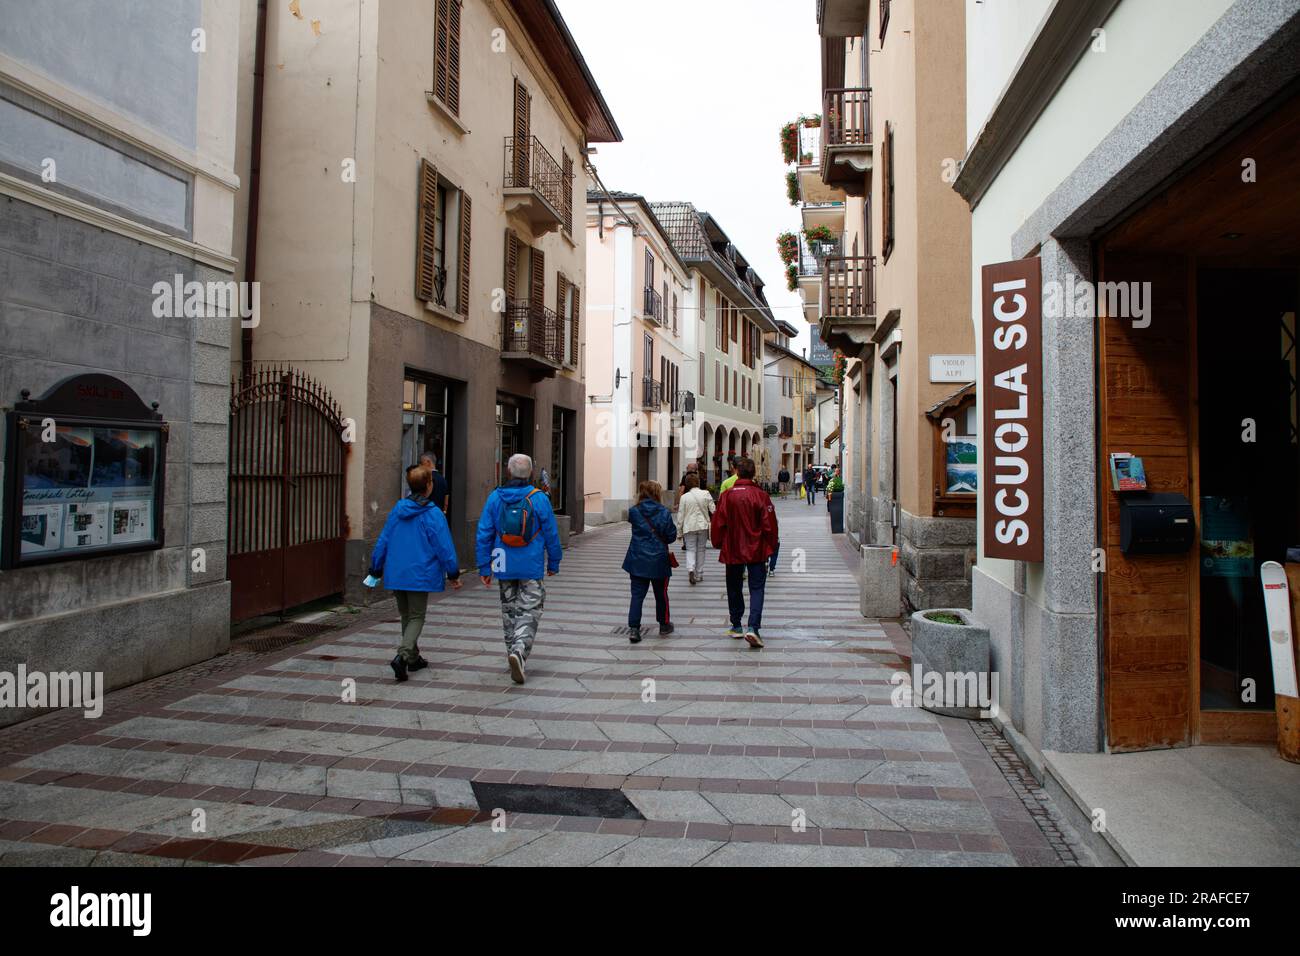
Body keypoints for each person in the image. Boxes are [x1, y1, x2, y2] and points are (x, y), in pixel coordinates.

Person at [369, 463, 462, 681]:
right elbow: (444, 547)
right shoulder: (433, 514)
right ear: (429, 486)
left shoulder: (397, 510)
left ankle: (413, 658)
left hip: (396, 571)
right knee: (417, 616)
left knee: (406, 615)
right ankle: (402, 657)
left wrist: (375, 567)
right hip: (420, 572)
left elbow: (383, 540)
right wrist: (454, 573)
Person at [475, 453, 562, 685]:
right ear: (531, 474)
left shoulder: (495, 497)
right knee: (530, 608)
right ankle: (520, 650)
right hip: (530, 562)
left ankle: (511, 650)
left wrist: (484, 566)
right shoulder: (539, 498)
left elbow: (484, 532)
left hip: (502, 560)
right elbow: (552, 533)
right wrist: (553, 562)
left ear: (508, 472)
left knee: (509, 609)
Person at [711, 457, 778, 648]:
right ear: (753, 473)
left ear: (737, 473)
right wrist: (771, 546)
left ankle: (736, 625)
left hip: (732, 547)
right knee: (757, 588)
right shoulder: (761, 495)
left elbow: (718, 522)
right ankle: (753, 627)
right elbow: (770, 525)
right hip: (756, 549)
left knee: (734, 586)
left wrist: (717, 543)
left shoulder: (726, 496)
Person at [622, 480, 678, 644]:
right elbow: (671, 536)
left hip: (638, 559)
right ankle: (664, 624)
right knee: (661, 594)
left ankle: (634, 629)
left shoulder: (634, 511)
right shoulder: (664, 512)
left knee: (637, 596)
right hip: (659, 560)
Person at [677, 472, 715, 585]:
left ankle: (690, 569)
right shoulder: (706, 493)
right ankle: (699, 574)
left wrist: (679, 532)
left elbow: (680, 515)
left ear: (687, 484)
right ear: (698, 482)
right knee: (701, 549)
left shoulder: (684, 497)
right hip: (703, 526)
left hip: (689, 527)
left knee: (690, 549)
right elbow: (713, 510)